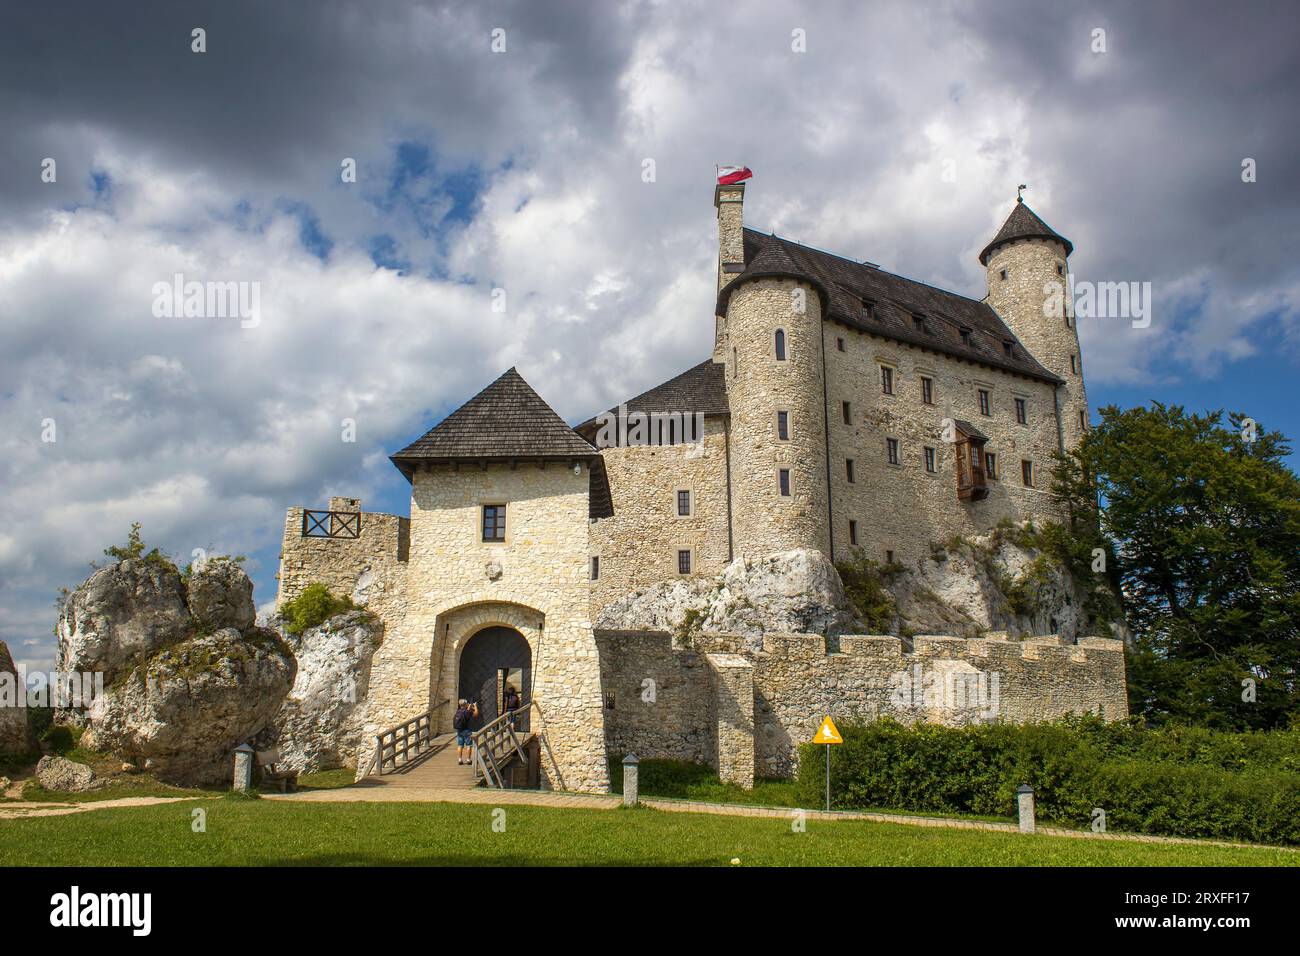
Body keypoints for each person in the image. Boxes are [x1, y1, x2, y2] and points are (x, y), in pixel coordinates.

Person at [452, 698, 477, 765]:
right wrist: (475, 706)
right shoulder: (467, 712)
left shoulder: (458, 711)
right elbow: (475, 714)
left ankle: (460, 760)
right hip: (467, 730)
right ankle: (468, 759)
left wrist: (468, 707)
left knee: (460, 745)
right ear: (466, 704)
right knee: (469, 745)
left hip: (459, 730)